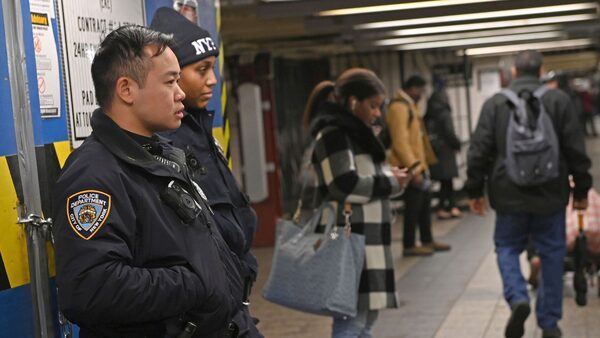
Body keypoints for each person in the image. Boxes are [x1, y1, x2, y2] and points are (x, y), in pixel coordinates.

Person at [52, 25, 255, 338]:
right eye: (170, 81)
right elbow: (90, 288)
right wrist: (197, 282)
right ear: (126, 89)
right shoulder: (94, 174)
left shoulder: (161, 156)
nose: (181, 94)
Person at [150, 9, 262, 337]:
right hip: (208, 308)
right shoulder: (167, 141)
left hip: (232, 300)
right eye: (201, 70)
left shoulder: (200, 130)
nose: (213, 80)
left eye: (213, 68)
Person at [466, 50, 592, 338]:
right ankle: (549, 323)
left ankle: (518, 297)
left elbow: (479, 151)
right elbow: (576, 149)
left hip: (508, 193)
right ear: (541, 70)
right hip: (551, 193)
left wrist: (474, 190)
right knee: (552, 253)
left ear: (513, 72)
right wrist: (582, 189)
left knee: (508, 248)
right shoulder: (558, 101)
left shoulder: (495, 103)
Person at [307, 68, 408, 338]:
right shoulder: (334, 133)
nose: (377, 113)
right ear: (353, 102)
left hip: (367, 240)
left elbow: (360, 177)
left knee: (364, 322)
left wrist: (389, 177)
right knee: (351, 324)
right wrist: (390, 183)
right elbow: (343, 184)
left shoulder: (355, 134)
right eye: (373, 106)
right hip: (350, 241)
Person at [386, 75, 451, 256]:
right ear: (412, 89)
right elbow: (400, 142)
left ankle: (427, 239)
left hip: (419, 165)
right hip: (409, 167)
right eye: (421, 91)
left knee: (424, 205)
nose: (422, 95)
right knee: (413, 207)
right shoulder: (399, 107)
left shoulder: (409, 106)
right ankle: (409, 245)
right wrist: (413, 169)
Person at [424, 87, 462, 220]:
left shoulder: (427, 115)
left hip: (434, 152)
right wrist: (457, 144)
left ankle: (444, 207)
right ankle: (451, 207)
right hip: (446, 152)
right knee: (448, 182)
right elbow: (449, 132)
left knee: (443, 182)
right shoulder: (444, 113)